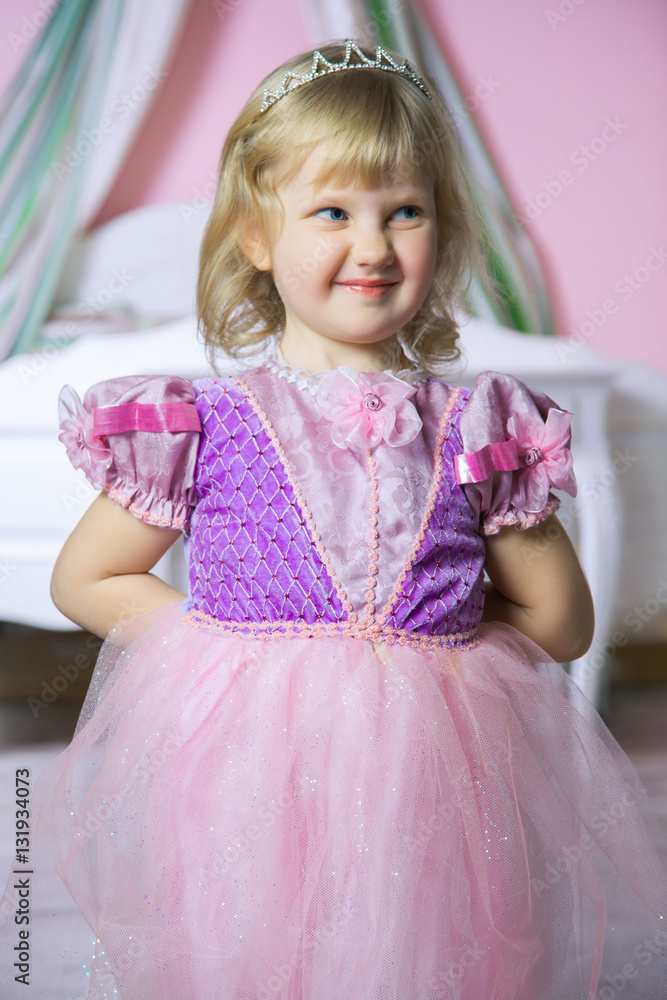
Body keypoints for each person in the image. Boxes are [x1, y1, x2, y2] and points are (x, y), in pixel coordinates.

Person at [6, 39, 667, 1000]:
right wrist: (224, 650)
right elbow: (88, 578)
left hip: (431, 767)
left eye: (405, 211)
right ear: (256, 237)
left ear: (441, 232)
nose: (372, 245)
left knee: (420, 944)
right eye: (332, 212)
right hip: (249, 767)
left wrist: (443, 644)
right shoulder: (205, 424)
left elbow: (562, 622)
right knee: (257, 945)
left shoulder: (478, 427)